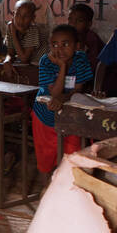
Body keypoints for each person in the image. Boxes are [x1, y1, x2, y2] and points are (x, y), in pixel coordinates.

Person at [34, 26, 92, 175]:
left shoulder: (81, 59)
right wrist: (62, 66)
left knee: (73, 154)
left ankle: (68, 190)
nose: (59, 50)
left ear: (77, 45)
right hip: (45, 115)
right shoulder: (46, 61)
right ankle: (47, 190)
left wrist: (63, 99)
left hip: (70, 115)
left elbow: (77, 89)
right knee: (46, 157)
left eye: (65, 44)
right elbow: (55, 93)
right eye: (54, 45)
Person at [5, 0, 45, 64]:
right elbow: (10, 53)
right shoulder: (11, 26)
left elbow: (24, 59)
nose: (21, 19)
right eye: (18, 15)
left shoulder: (33, 29)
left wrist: (14, 34)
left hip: (39, 65)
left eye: (26, 16)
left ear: (33, 18)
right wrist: (7, 61)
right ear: (13, 15)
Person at [68, 3, 104, 74]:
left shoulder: (92, 40)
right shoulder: (69, 36)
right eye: (70, 19)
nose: (73, 24)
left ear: (89, 24)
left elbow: (93, 68)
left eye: (79, 21)